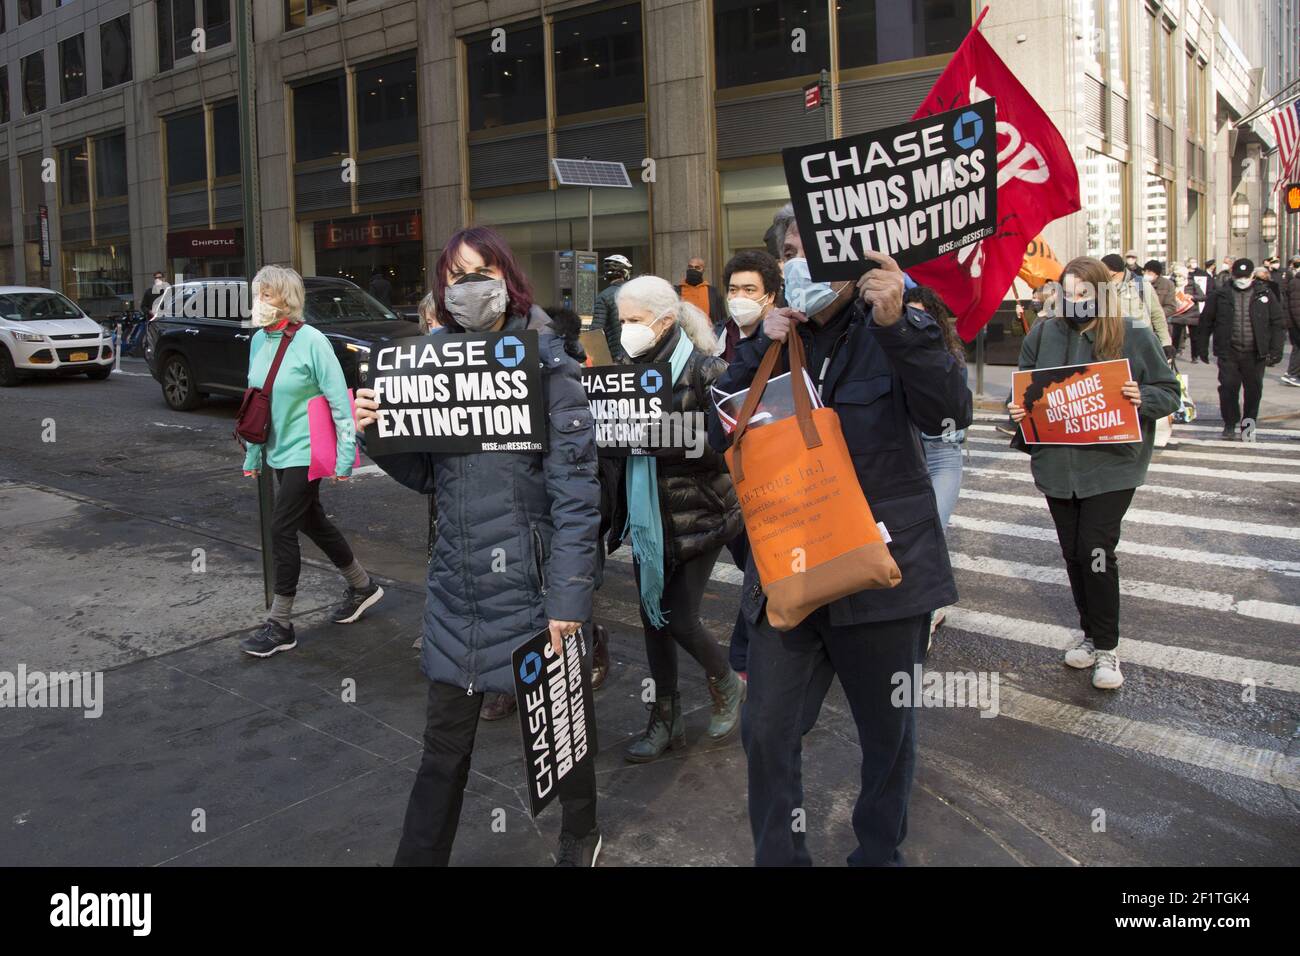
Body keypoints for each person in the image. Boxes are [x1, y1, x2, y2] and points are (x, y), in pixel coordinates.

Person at [709, 204, 971, 866]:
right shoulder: (773, 339)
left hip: (880, 572)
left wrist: (899, 323)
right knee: (766, 728)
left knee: (888, 735)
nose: (804, 262)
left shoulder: (898, 321)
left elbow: (949, 412)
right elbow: (721, 429)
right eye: (791, 252)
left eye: (818, 248)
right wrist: (756, 348)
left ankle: (878, 853)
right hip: (791, 570)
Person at [355, 226, 604, 867]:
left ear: (507, 279)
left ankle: (581, 831)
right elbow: (427, 477)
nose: (468, 287)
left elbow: (577, 495)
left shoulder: (548, 364)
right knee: (442, 750)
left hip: (534, 590)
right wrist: (378, 433)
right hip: (457, 587)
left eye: (482, 272)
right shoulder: (430, 364)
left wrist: (568, 598)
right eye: (455, 276)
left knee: (561, 731)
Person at [1008, 257, 1180, 690]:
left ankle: (1107, 647)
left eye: (1084, 293)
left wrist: (1143, 397)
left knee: (1095, 550)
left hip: (1111, 466)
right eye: (1067, 293)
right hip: (1057, 466)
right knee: (1073, 553)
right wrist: (1018, 411)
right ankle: (1089, 634)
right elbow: (1025, 391)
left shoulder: (1133, 333)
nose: (1075, 300)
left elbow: (1169, 391)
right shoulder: (1043, 333)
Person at [611, 275, 745, 762]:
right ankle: (665, 719)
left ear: (665, 320)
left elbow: (731, 445)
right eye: (621, 320)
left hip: (703, 515)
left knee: (680, 618)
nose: (626, 329)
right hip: (649, 517)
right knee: (653, 616)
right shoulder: (625, 371)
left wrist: (668, 438)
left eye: (635, 320)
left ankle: (727, 682)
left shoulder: (709, 370)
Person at [238, 265, 383, 657]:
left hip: (306, 451)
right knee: (310, 520)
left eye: (266, 294)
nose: (258, 301)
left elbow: (339, 402)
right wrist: (254, 453)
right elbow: (256, 403)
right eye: (257, 293)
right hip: (277, 451)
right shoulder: (258, 340)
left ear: (286, 299)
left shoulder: (313, 341)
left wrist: (345, 457)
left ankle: (280, 624)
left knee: (281, 528)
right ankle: (362, 585)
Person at [718, 249, 783, 678]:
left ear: (770, 296)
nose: (739, 297)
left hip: (773, 471)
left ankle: (744, 658)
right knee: (752, 565)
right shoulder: (717, 336)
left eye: (749, 289)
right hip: (730, 474)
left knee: (764, 568)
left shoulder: (783, 337)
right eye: (733, 289)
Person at [545, 304, 615, 691]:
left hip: (585, 484)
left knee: (581, 580)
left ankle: (592, 644)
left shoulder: (574, 370)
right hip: (550, 494)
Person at [905, 284, 967, 643]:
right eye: (909, 314)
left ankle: (926, 614)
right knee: (908, 537)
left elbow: (958, 413)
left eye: (922, 316)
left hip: (942, 455)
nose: (915, 321)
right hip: (906, 454)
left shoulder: (949, 358)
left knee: (932, 533)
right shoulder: (889, 352)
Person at [1201, 257, 1287, 440]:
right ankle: (1229, 424)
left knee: (1253, 391)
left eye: (1245, 276)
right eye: (1238, 276)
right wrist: (1200, 347)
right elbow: (1206, 321)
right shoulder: (1221, 294)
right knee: (1228, 389)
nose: (1242, 280)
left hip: (1255, 353)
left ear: (1252, 276)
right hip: (1229, 351)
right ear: (1232, 275)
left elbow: (1277, 323)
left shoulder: (1265, 293)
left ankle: (1248, 426)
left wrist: (1276, 350)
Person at [1101, 253, 1172, 358]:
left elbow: (1157, 314)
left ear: (1115, 272)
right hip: (1113, 346)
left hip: (1141, 343)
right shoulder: (1102, 288)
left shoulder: (1141, 284)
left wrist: (1166, 343)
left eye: (1104, 271)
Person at [591, 255, 632, 363]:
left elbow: (596, 331)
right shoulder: (636, 293)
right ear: (625, 273)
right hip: (638, 353)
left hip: (617, 356)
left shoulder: (603, 296)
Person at [679, 255, 729, 341]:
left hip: (709, 338)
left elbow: (722, 318)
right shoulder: (676, 292)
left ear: (703, 270)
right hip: (683, 338)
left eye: (697, 268)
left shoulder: (713, 293)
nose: (693, 270)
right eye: (690, 267)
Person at [1283, 255, 1300, 387]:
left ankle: (1293, 374)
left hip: (1294, 322)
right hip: (1295, 323)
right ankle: (1292, 374)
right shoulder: (1296, 283)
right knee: (1298, 348)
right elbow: (1296, 307)